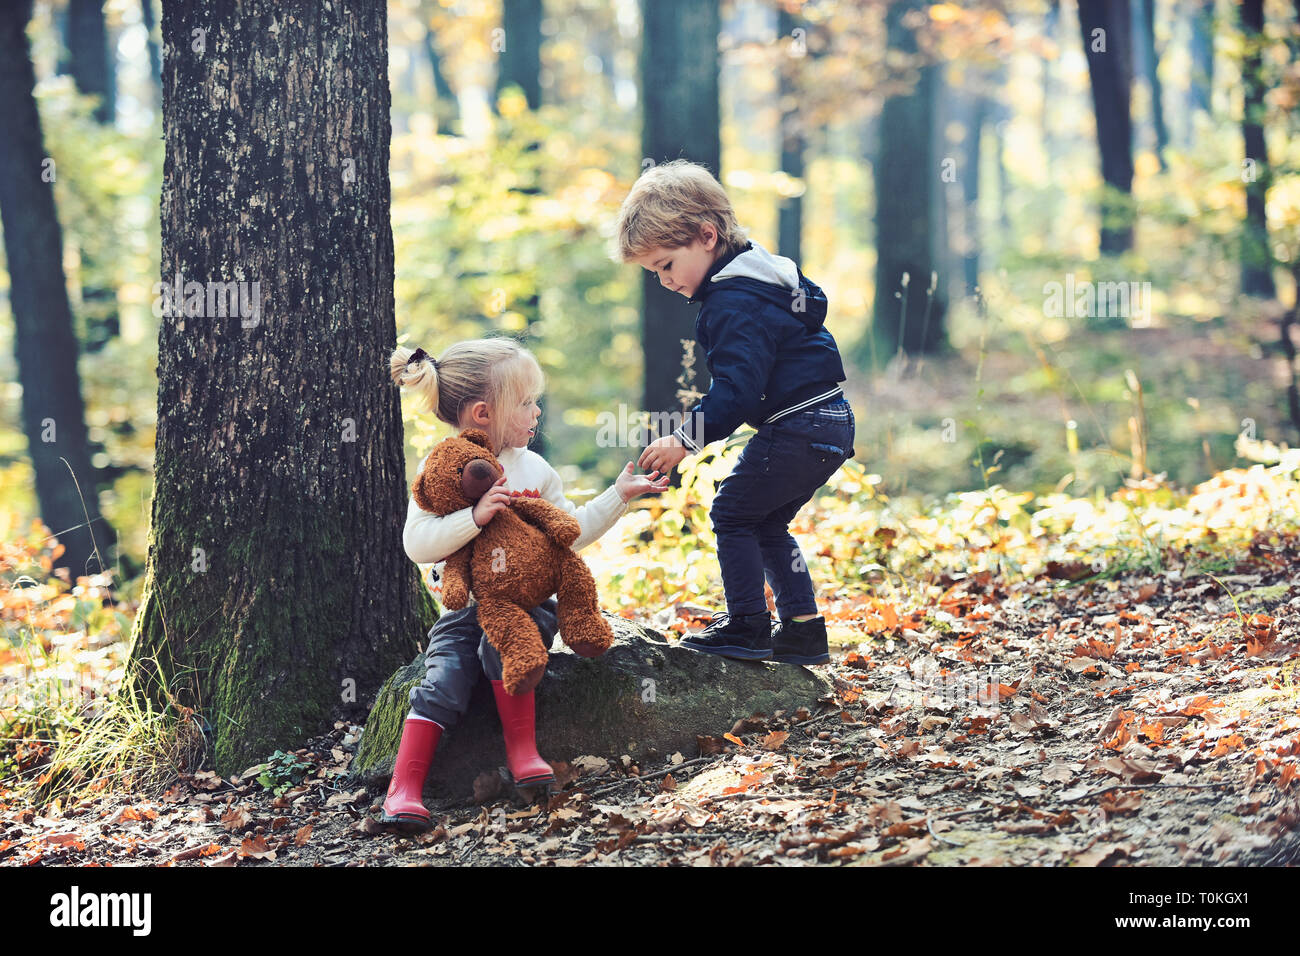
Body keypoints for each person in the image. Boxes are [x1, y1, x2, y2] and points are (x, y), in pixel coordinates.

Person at [381, 338, 667, 831]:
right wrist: (474, 517)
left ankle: (524, 756)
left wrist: (618, 496)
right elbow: (417, 543)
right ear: (484, 412)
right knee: (444, 680)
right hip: (461, 610)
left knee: (508, 647)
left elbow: (568, 530)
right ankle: (402, 789)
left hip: (525, 606)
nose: (536, 412)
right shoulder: (443, 470)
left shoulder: (535, 470)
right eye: (527, 402)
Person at [618, 159, 854, 666]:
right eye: (653, 271)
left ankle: (748, 625)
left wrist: (684, 439)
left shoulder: (731, 303)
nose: (663, 281)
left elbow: (738, 390)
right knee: (765, 521)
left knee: (731, 511)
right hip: (829, 421)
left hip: (799, 424)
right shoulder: (767, 278)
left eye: (665, 265)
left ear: (706, 236)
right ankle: (803, 630)